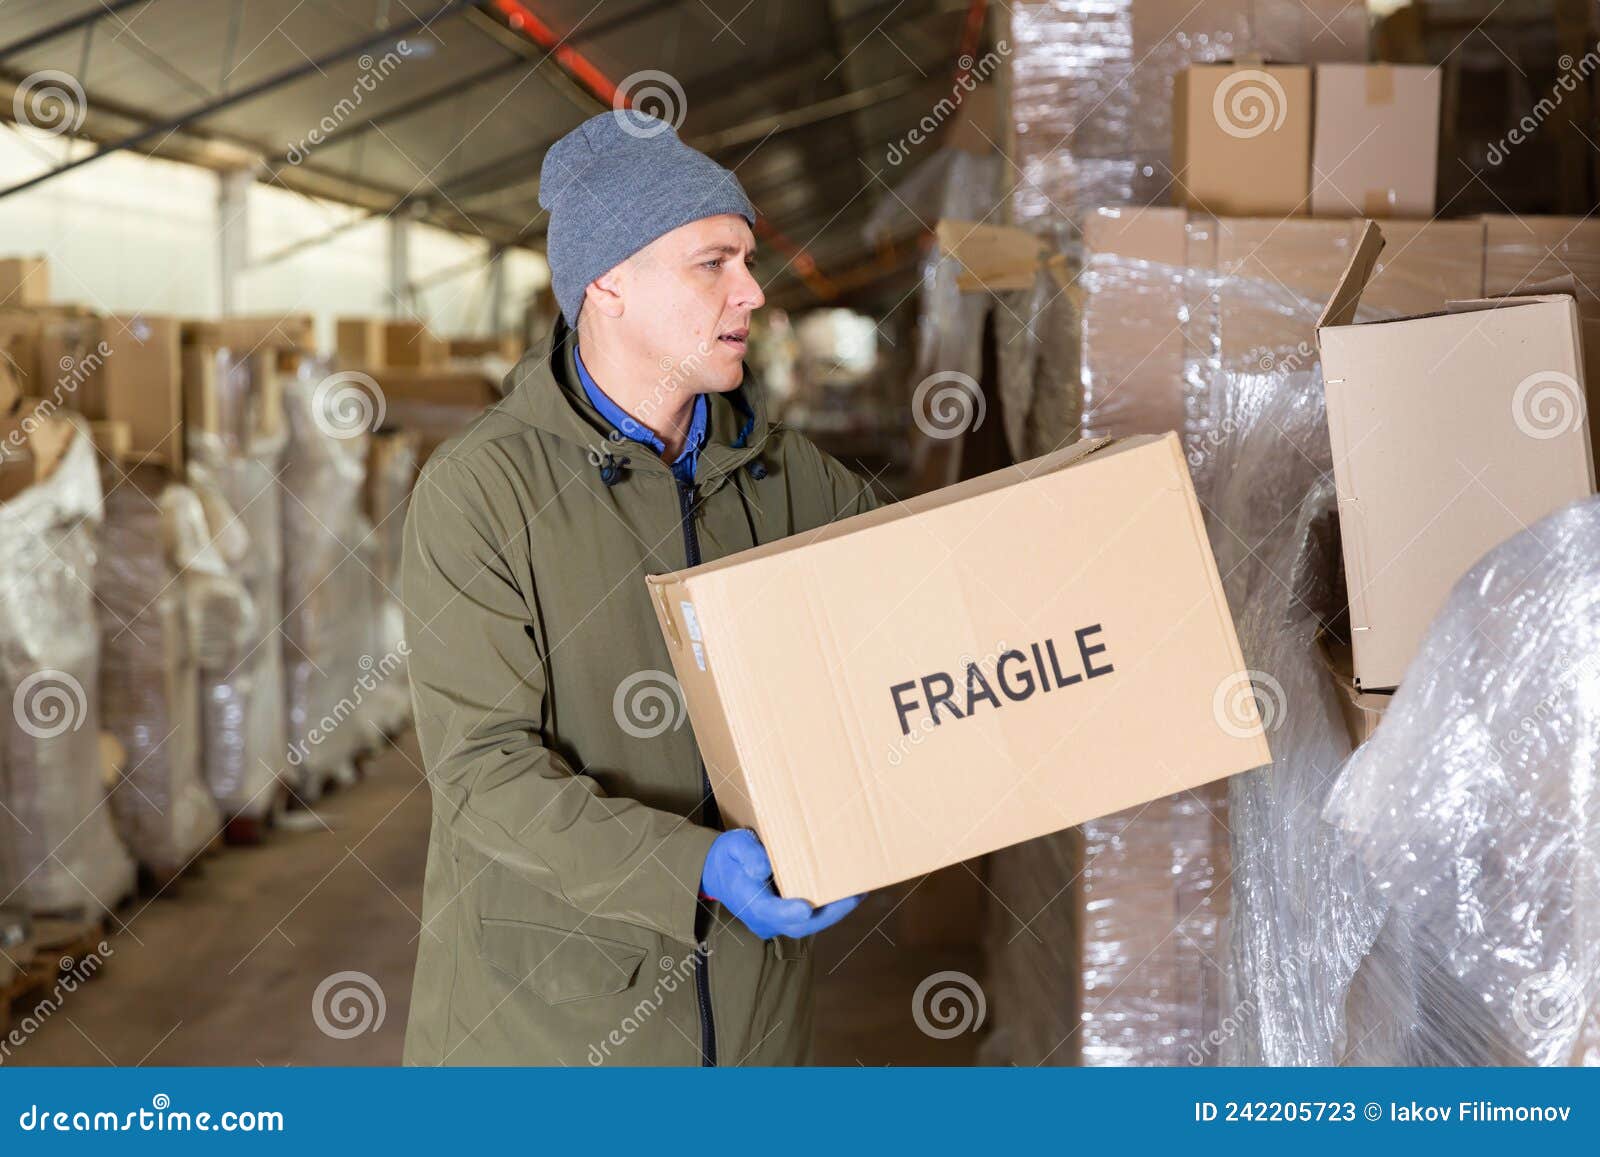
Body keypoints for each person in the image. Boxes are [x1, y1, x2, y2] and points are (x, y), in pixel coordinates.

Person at [401, 110, 875, 1066]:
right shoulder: (482, 491)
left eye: (747, 260)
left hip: (752, 1018)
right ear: (608, 284)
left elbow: (926, 609)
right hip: (553, 1029)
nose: (752, 291)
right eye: (713, 263)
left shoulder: (785, 475)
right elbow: (483, 772)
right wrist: (693, 865)